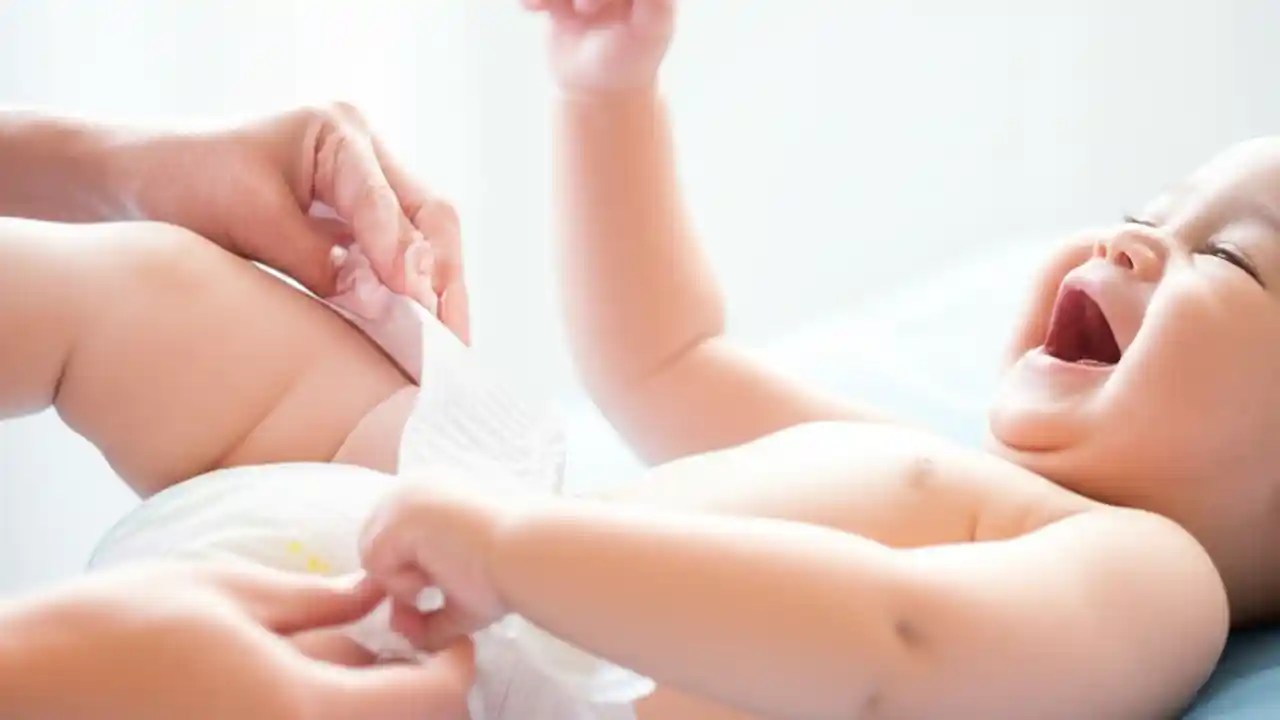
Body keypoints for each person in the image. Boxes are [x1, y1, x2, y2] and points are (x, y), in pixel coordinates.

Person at [354, 0, 1280, 717]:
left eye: (1232, 257)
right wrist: (607, 96)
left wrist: (516, 553)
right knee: (260, 325)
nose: (1126, 243)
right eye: (1149, 210)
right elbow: (664, 362)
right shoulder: (939, 472)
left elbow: (898, 645)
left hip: (504, 675)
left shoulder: (1162, 577)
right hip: (445, 589)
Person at [0, 103, 473, 718]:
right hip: (381, 500)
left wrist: (116, 168)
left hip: (377, 485)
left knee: (134, 290)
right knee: (132, 292)